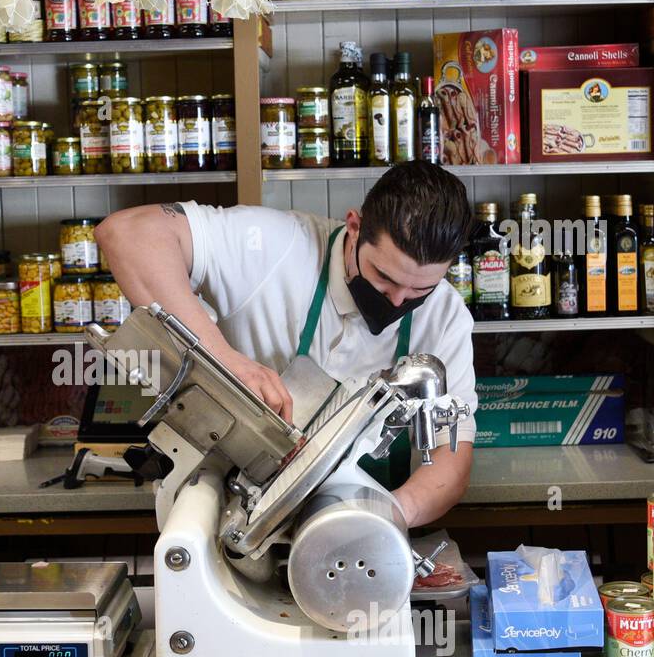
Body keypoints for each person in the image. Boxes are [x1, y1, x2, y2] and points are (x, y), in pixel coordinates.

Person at [95, 162, 477, 528]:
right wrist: (223, 361)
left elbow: (449, 459)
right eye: (383, 277)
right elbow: (127, 233)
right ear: (355, 227)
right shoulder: (274, 246)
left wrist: (387, 517)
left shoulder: (445, 317)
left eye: (420, 290)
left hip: (359, 547)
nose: (397, 301)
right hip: (226, 515)